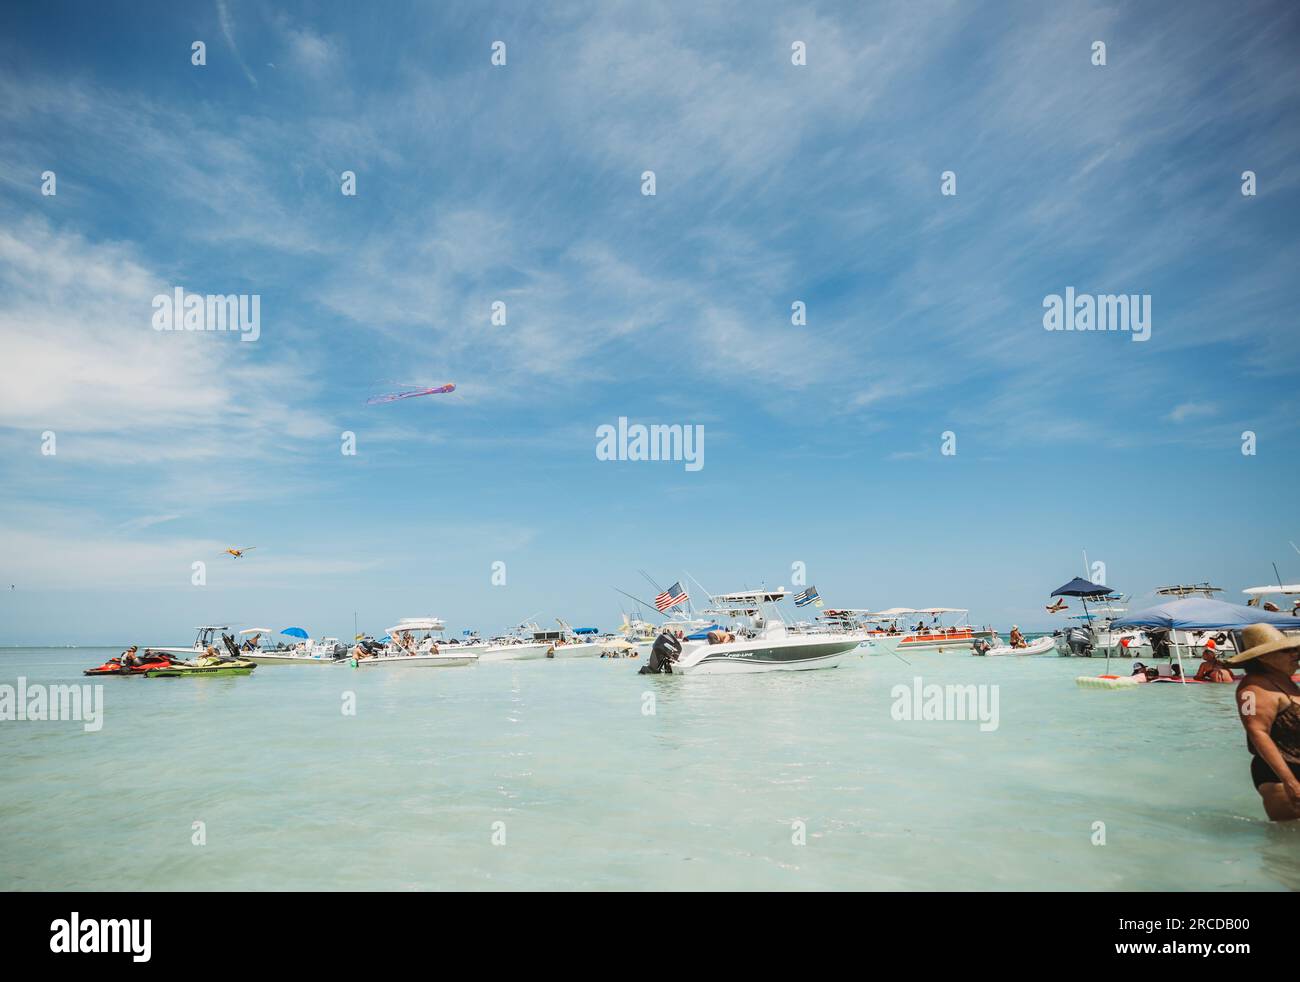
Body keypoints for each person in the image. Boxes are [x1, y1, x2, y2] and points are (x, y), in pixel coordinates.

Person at [1225, 624, 1300, 822]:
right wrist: (1290, 782)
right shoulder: (1253, 688)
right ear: (1263, 657)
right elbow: (1257, 733)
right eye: (1286, 650)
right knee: (1286, 845)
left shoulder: (1285, 681)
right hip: (1281, 775)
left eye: (1295, 649)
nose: (1295, 654)